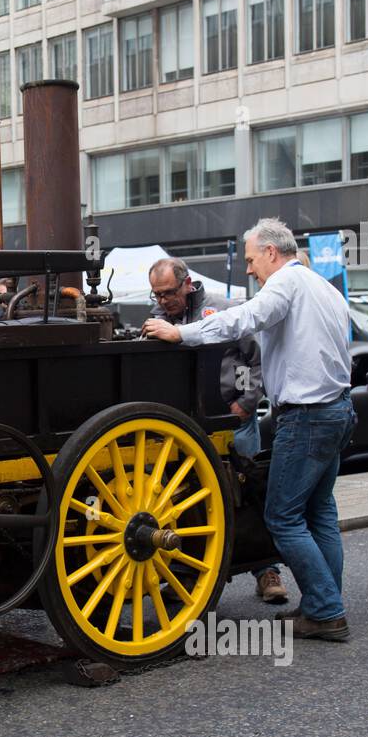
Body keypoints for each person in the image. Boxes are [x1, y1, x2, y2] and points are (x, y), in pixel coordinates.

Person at [147, 218, 355, 641]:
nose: (248, 268)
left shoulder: (286, 284)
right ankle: (324, 602)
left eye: (250, 258)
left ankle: (326, 610)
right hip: (337, 410)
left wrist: (181, 332)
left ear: (271, 253)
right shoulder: (325, 288)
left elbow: (242, 320)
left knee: (283, 517)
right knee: (321, 513)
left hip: (307, 416)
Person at [140, 257, 288, 605]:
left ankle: (267, 572)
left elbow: (255, 358)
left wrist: (245, 402)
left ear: (187, 284)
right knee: (187, 500)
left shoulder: (225, 310)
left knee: (246, 493)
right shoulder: (156, 319)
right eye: (157, 295)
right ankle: (190, 574)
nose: (163, 301)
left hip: (232, 417)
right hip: (185, 426)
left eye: (169, 293)